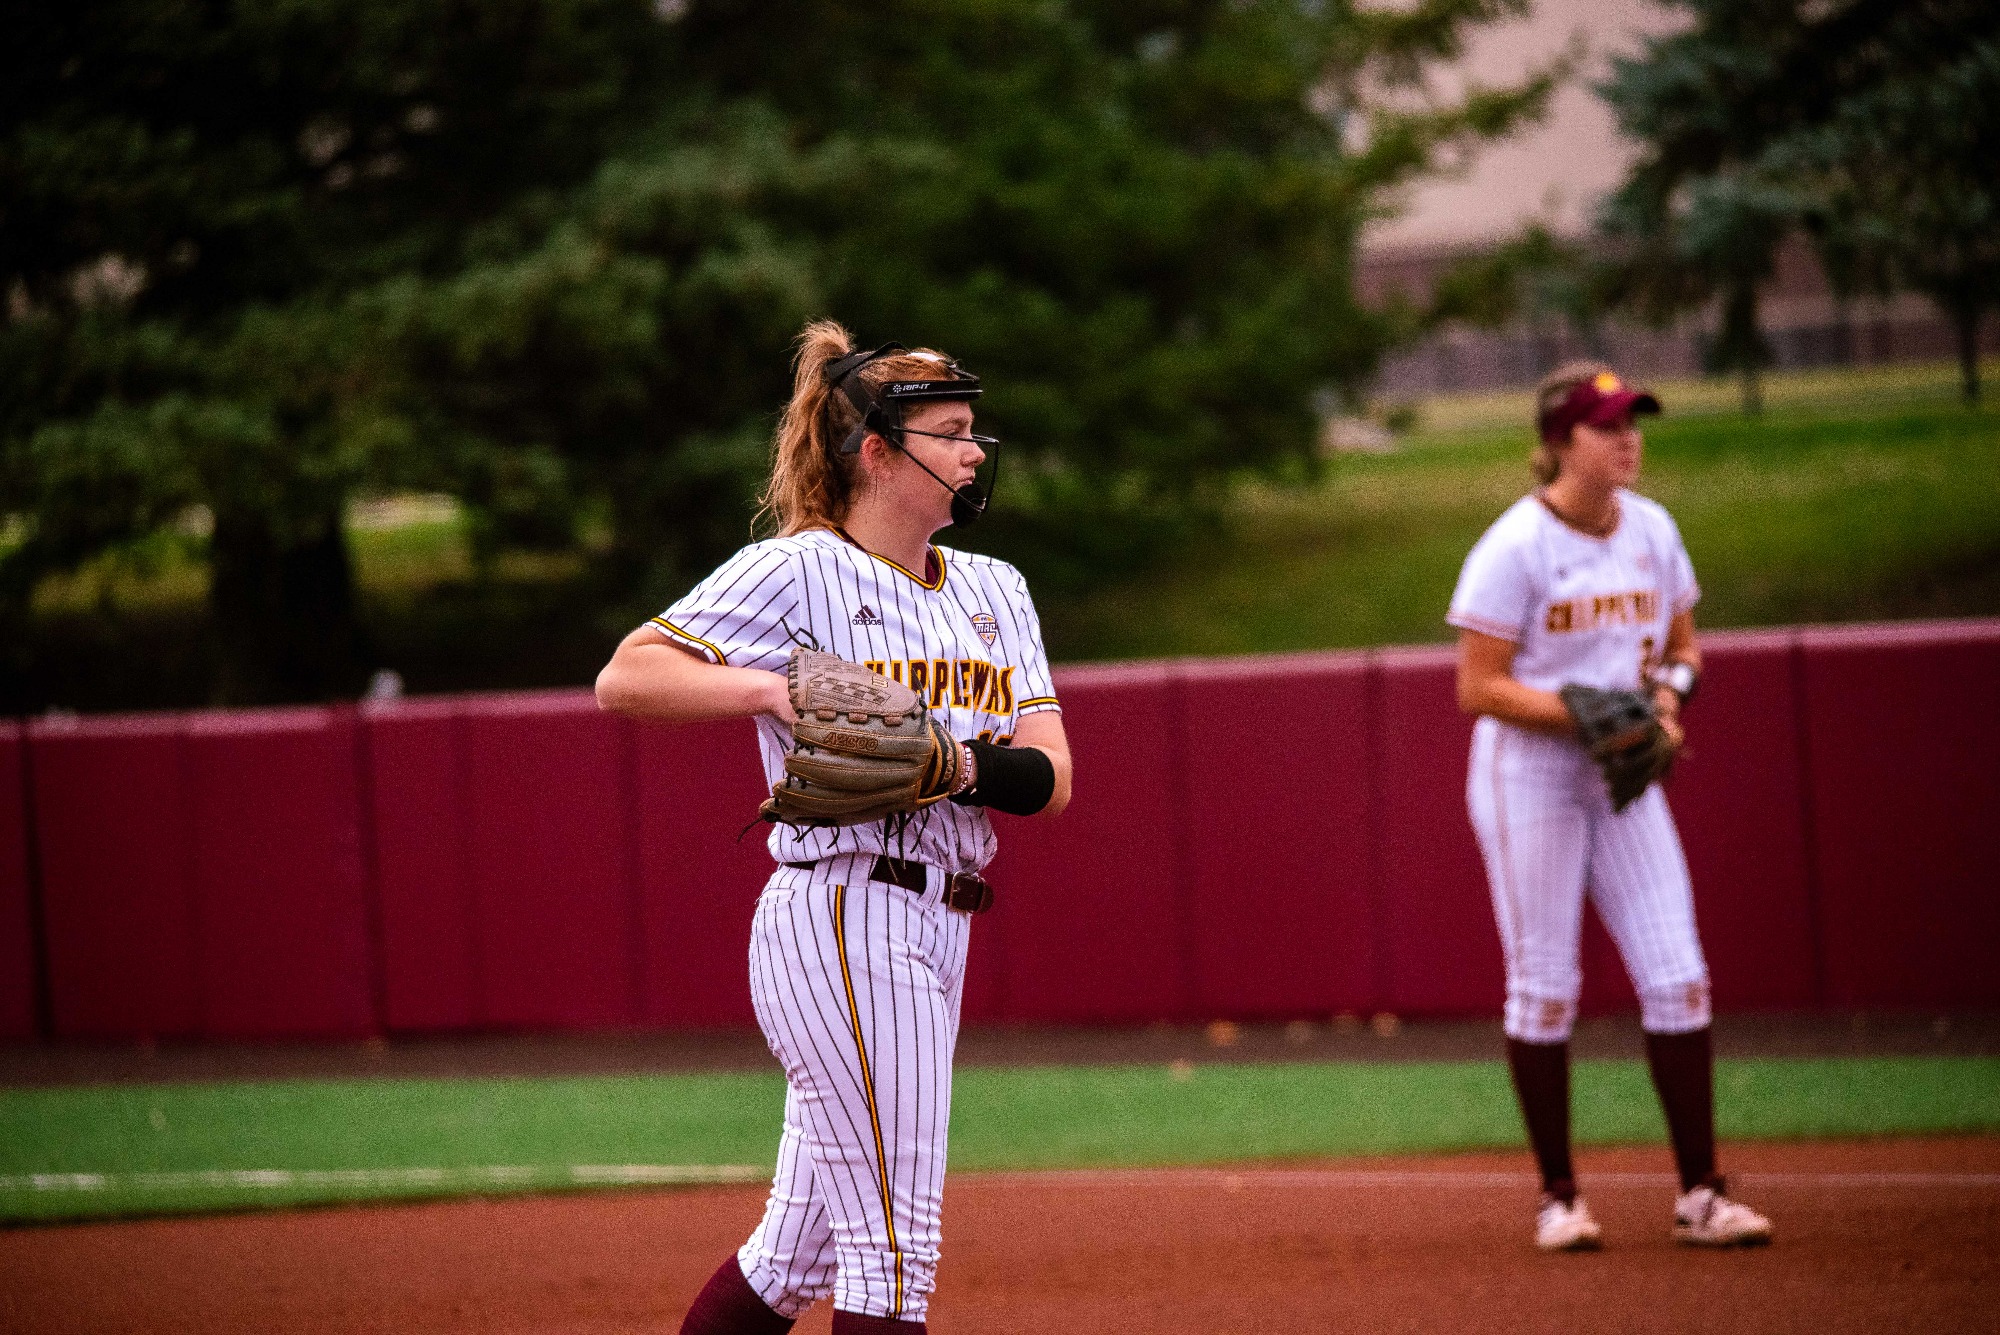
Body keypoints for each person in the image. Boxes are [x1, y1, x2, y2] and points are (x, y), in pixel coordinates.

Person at [596, 319, 1072, 1333]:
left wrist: (950, 763)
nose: (972, 450)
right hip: (845, 910)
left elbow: (1048, 778)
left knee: (792, 1254)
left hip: (942, 917)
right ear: (876, 453)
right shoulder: (802, 568)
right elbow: (628, 675)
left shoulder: (996, 590)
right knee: (895, 1251)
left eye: (971, 431)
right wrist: (768, 691)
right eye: (948, 433)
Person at [1447, 361, 1773, 1252]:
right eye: (1606, 425)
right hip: (1530, 776)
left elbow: (1683, 645)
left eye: (1634, 421)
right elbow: (1477, 688)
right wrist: (1591, 713)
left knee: (1678, 976)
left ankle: (1701, 1193)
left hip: (1620, 776)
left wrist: (1666, 697)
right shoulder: (1516, 545)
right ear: (1559, 441)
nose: (1628, 438)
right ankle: (1559, 1197)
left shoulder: (1653, 529)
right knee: (1546, 986)